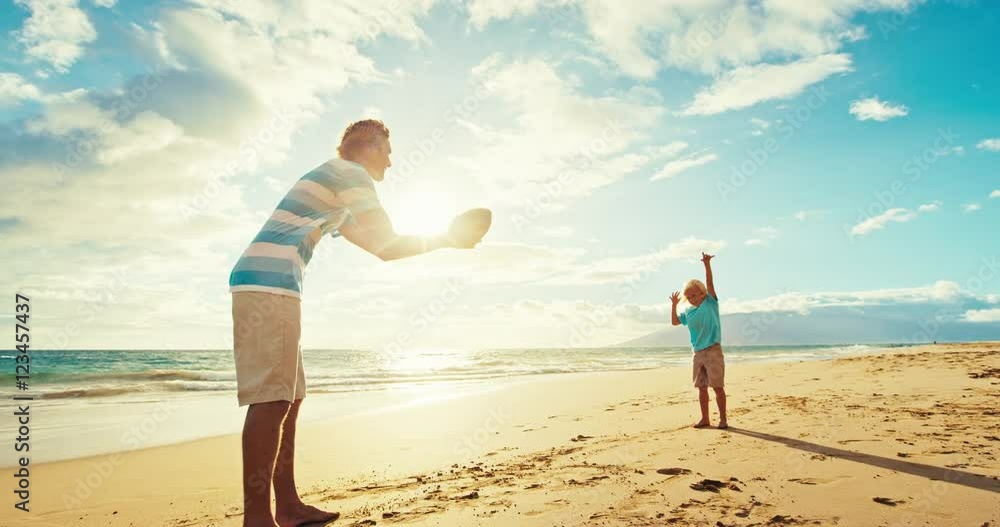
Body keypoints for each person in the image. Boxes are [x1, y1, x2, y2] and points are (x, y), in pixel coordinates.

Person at [228, 119, 481, 527]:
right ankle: (257, 520)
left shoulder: (338, 187)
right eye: (388, 151)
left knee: (289, 398)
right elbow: (388, 236)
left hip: (276, 284)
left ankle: (288, 506)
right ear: (370, 145)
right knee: (272, 398)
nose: (391, 162)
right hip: (266, 282)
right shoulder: (351, 174)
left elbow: (381, 249)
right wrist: (448, 237)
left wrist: (446, 241)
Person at [670, 252, 727, 430]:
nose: (693, 299)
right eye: (689, 297)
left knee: (717, 387)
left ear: (702, 293)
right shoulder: (688, 311)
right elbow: (675, 322)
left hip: (713, 350)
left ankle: (723, 419)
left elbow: (710, 283)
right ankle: (705, 418)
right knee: (701, 388)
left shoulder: (710, 302)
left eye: (695, 295)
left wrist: (707, 264)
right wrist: (674, 305)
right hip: (697, 352)